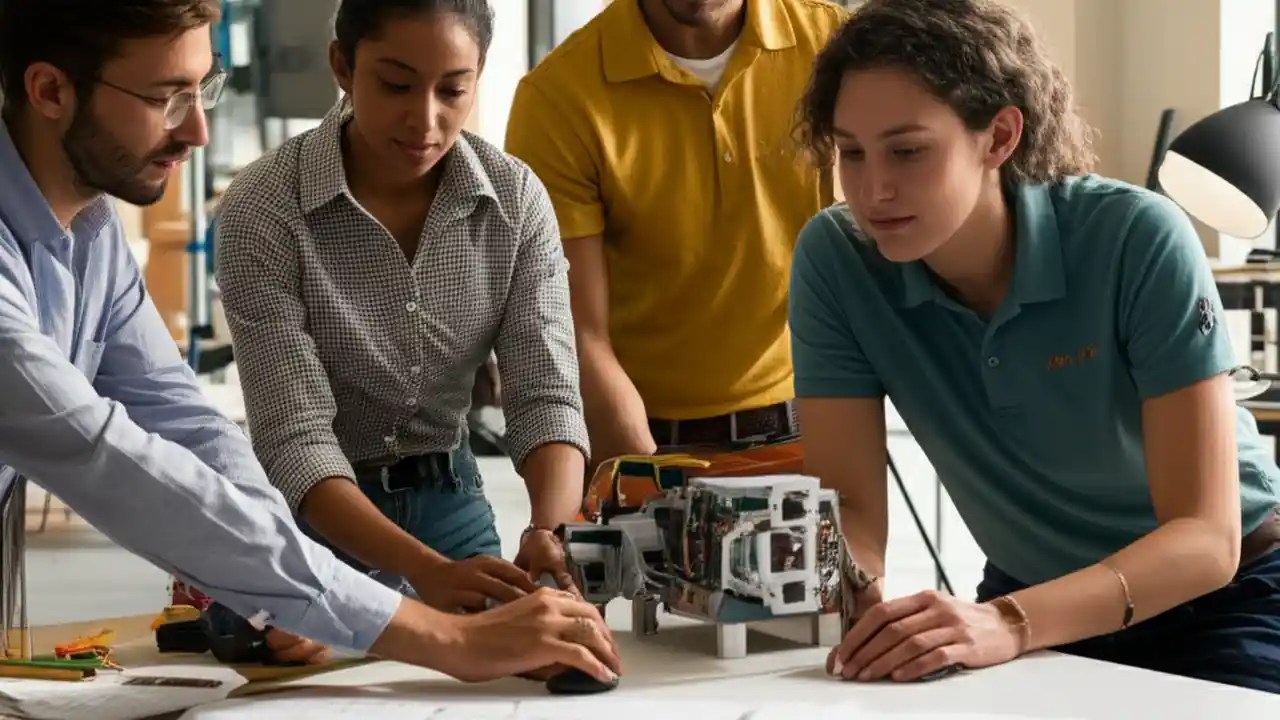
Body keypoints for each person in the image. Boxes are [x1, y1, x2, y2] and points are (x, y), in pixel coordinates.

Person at [0, 0, 619, 685]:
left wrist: (292, 583)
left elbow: (188, 426)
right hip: (319, 502)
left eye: (203, 90)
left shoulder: (91, 236)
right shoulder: (265, 202)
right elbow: (108, 457)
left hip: (434, 490)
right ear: (50, 90)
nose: (199, 131)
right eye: (167, 98)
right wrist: (443, 636)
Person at [789, 0, 1280, 694]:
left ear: (999, 137)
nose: (873, 189)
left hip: (1230, 597)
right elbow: (853, 512)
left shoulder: (1136, 238)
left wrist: (1008, 623)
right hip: (1033, 596)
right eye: (851, 152)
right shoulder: (836, 261)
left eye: (908, 150)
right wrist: (859, 603)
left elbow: (1205, 538)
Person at [213, 0, 590, 613]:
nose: (425, 120)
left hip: (448, 497)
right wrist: (424, 572)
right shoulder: (266, 205)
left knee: (516, 648)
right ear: (342, 65)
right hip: (311, 513)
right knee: (300, 662)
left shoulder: (515, 200)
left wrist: (550, 532)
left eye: (453, 90)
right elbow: (294, 437)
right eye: (396, 85)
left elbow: (546, 395)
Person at [504, 0, 847, 470]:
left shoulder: (834, 44)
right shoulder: (557, 96)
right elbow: (578, 332)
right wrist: (642, 474)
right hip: (644, 437)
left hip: (808, 421)